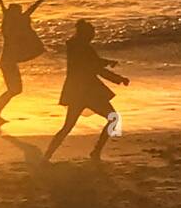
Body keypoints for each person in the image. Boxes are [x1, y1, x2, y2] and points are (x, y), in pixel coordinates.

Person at [43, 20, 129, 162]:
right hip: (89, 92)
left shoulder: (75, 47)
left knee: (67, 127)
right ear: (84, 34)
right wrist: (117, 76)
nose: (93, 35)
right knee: (113, 118)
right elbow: (95, 67)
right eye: (91, 33)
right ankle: (96, 151)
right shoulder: (83, 48)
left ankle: (47, 156)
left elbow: (94, 64)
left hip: (76, 91)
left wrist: (113, 72)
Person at [0, 0, 48, 123]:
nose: (22, 14)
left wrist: (2, 5)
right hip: (8, 62)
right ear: (16, 14)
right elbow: (29, 11)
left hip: (7, 61)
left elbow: (8, 14)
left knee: (14, 89)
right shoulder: (15, 27)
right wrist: (40, 0)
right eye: (19, 12)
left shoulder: (7, 27)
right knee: (15, 89)